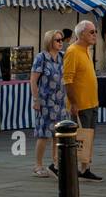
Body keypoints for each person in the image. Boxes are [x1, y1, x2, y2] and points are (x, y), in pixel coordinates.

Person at [62, 20, 101, 180]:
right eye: (91, 32)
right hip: (81, 104)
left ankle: (85, 168)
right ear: (82, 34)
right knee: (81, 137)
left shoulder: (86, 50)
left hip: (92, 102)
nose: (95, 35)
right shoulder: (73, 51)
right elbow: (68, 79)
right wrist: (74, 102)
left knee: (88, 137)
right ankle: (76, 167)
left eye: (95, 32)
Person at [30, 30, 69, 177]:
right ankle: (38, 165)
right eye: (57, 40)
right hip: (46, 101)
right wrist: (36, 99)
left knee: (58, 135)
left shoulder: (63, 56)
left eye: (61, 40)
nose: (60, 42)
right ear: (49, 42)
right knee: (44, 134)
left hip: (61, 101)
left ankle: (56, 163)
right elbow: (33, 80)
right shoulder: (41, 57)